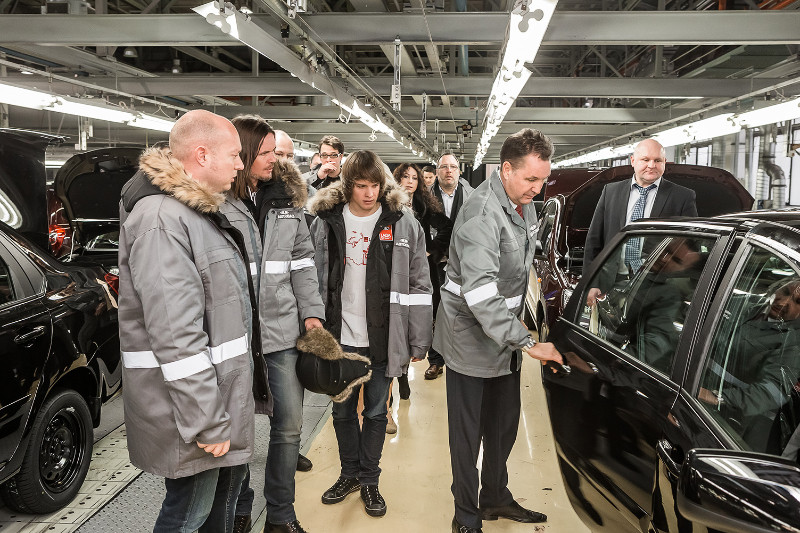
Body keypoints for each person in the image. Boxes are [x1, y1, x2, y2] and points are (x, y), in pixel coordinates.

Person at [119, 110, 268, 532]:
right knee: (189, 515)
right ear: (202, 155)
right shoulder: (163, 220)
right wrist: (206, 420)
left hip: (223, 397)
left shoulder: (197, 213)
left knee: (219, 508)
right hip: (196, 411)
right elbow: (176, 335)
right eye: (236, 155)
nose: (242, 165)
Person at [432, 128, 563, 533]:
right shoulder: (481, 214)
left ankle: (494, 497)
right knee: (468, 436)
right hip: (470, 338)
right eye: (530, 179)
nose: (538, 190)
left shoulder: (524, 207)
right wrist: (528, 342)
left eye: (543, 180)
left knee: (503, 426)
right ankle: (466, 516)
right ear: (506, 169)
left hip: (503, 337)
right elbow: (482, 295)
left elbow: (518, 274)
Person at [309, 150, 433, 518]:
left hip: (382, 336)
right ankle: (348, 473)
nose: (368, 193)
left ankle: (369, 480)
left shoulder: (402, 223)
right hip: (338, 338)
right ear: (348, 186)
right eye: (360, 186)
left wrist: (418, 338)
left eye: (375, 186)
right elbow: (312, 276)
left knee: (377, 412)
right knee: (343, 413)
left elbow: (419, 283)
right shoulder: (326, 221)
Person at [228, 115, 325, 533]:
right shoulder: (215, 201)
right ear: (244, 153)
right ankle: (239, 506)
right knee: (236, 429)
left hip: (282, 330)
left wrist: (312, 312)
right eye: (266, 152)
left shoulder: (287, 198)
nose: (276, 160)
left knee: (288, 425)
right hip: (234, 334)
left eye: (277, 151)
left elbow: (303, 260)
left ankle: (281, 515)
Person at [584, 138, 698, 307]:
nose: (651, 165)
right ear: (633, 161)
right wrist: (591, 283)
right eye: (645, 159)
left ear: (665, 163)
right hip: (611, 283)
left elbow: (691, 245)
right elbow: (594, 241)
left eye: (657, 160)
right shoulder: (611, 192)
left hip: (658, 286)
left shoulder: (682, 197)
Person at [699, 278, 800, 453]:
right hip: (690, 385)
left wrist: (719, 397)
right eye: (784, 292)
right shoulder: (741, 303)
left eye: (798, 302)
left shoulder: (793, 343)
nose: (783, 302)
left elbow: (774, 391)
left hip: (725, 417)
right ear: (776, 287)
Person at [426, 152, 474, 380]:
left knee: (460, 310)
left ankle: (458, 358)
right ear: (437, 172)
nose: (448, 171)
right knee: (434, 310)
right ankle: (435, 360)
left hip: (463, 264)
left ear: (459, 171)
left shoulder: (472, 197)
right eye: (443, 167)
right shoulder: (424, 198)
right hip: (432, 263)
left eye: (452, 167)